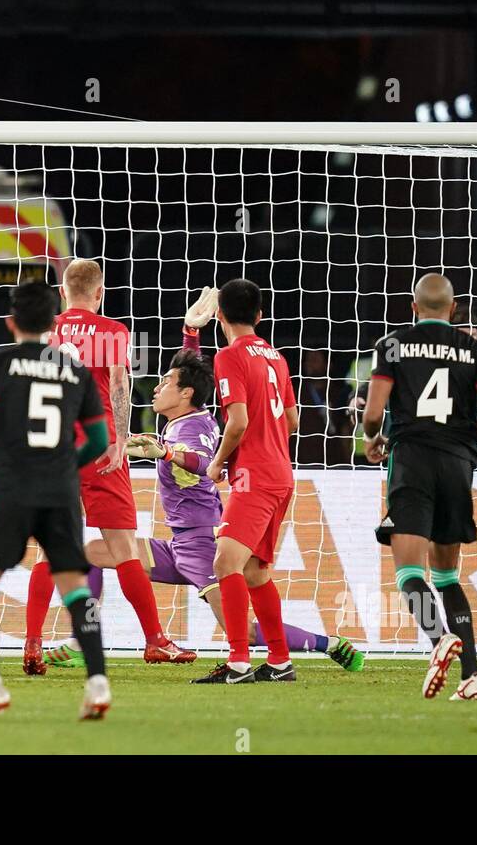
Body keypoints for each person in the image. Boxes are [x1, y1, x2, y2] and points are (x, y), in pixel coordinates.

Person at [81, 288, 362, 674]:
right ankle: (86, 637)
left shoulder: (190, 429)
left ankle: (326, 643)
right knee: (94, 553)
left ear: (185, 394)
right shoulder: (192, 415)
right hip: (179, 541)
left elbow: (198, 462)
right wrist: (190, 332)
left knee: (243, 629)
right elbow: (194, 375)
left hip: (201, 545)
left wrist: (167, 454)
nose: (158, 387)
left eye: (165, 382)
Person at [22, 259, 195, 674]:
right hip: (98, 447)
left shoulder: (45, 330)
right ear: (99, 293)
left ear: (63, 292)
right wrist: (120, 439)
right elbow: (118, 382)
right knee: (123, 547)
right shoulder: (112, 331)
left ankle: (32, 643)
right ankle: (155, 640)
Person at [0, 281, 111, 721]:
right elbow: (100, 438)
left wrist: (1, 462)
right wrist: (67, 465)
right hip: (62, 492)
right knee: (75, 586)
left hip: (14, 487)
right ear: (54, 322)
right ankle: (98, 683)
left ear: (11, 321)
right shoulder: (76, 371)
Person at [362, 273, 477, 700]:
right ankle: (474, 674)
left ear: (413, 307)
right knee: (446, 575)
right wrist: (475, 428)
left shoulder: (392, 345)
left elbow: (373, 414)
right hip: (458, 463)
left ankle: (438, 637)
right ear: (452, 307)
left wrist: (375, 437)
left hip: (412, 460)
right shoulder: (476, 350)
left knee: (409, 572)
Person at [192, 278, 300, 684]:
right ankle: (279, 661)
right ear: (259, 315)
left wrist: (219, 462)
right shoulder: (276, 357)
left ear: (219, 315)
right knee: (254, 571)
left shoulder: (229, 356)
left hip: (254, 476)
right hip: (281, 473)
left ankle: (237, 662)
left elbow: (237, 421)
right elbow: (291, 420)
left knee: (224, 562)